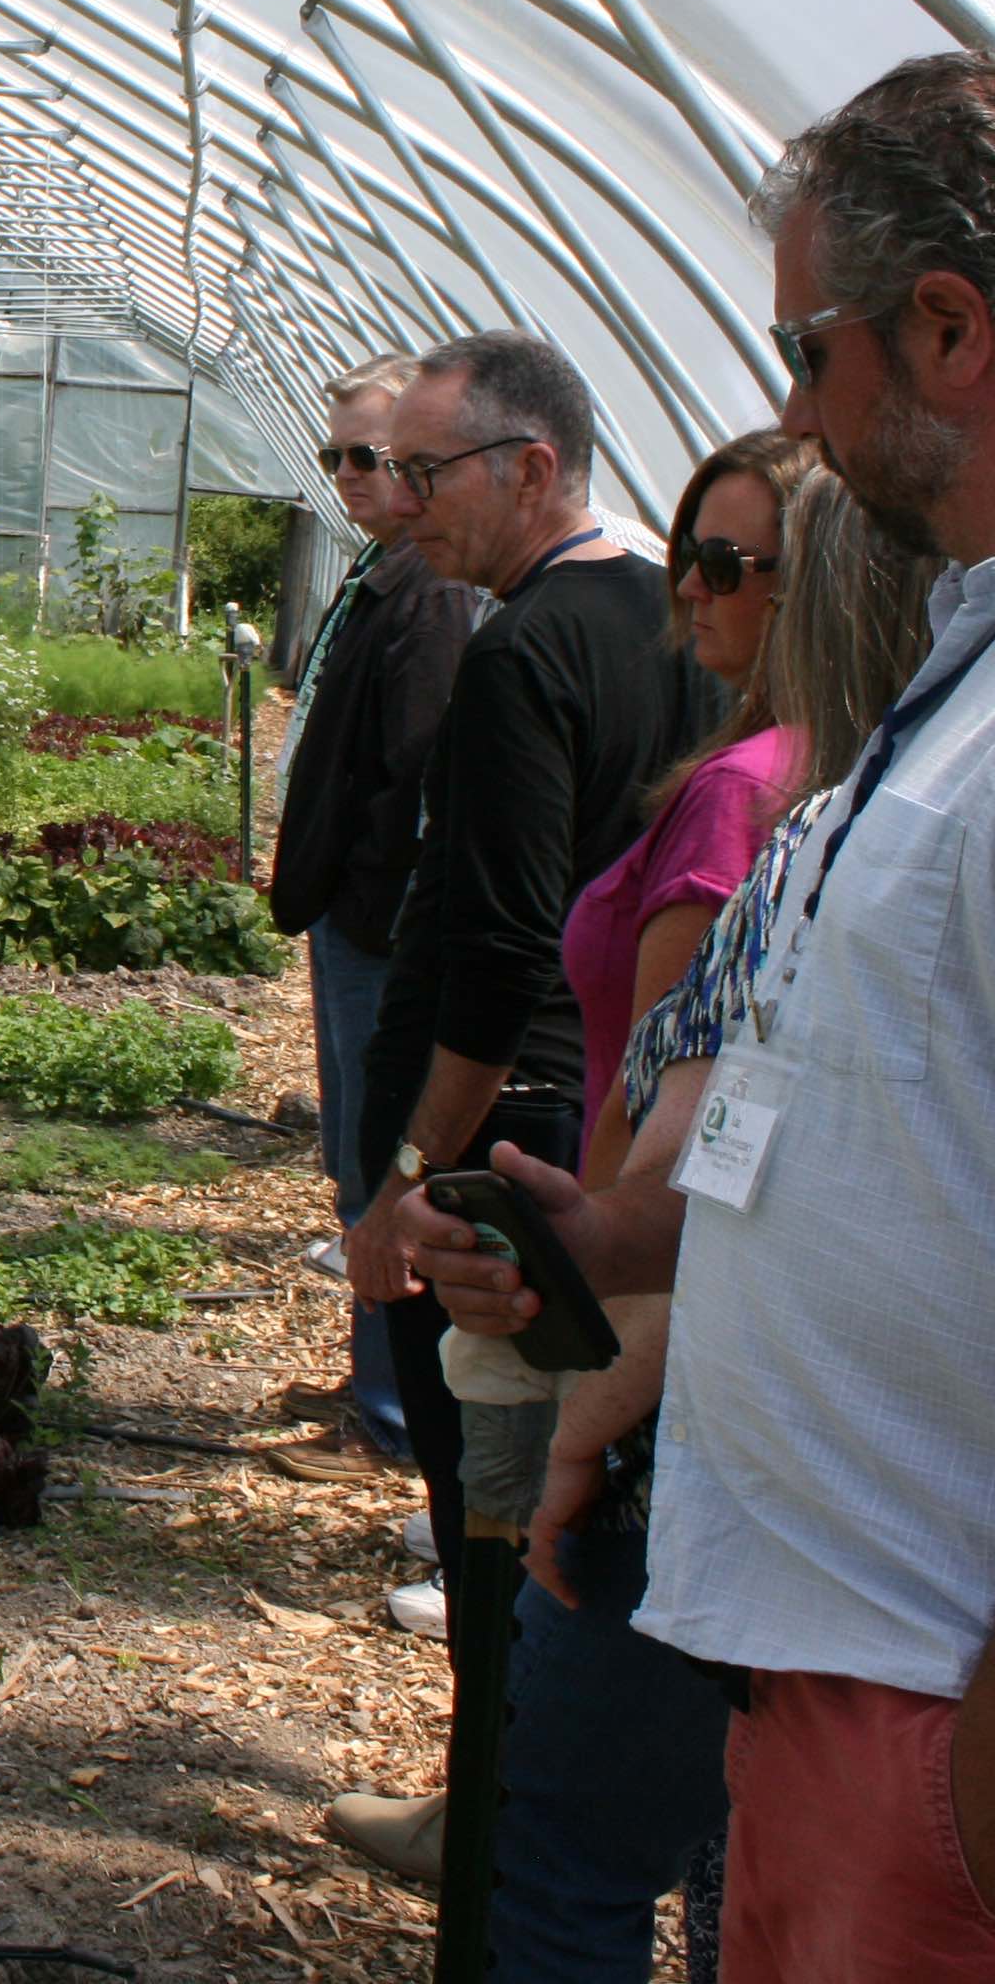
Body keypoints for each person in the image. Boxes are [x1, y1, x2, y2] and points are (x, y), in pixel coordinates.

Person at [419, 53, 995, 1976]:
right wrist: (619, 1234)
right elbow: (894, 1119)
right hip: (875, 1694)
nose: (793, 408)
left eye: (810, 346)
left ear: (948, 329)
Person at [481, 455, 936, 1983]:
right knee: (732, 1876)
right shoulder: (839, 811)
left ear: (829, 597)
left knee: (569, 1860)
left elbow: (706, 1169)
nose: (695, 586)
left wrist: (580, 1426)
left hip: (701, 1432)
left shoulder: (780, 815)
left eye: (735, 566)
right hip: (798, 1475)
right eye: (692, 552)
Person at [326, 330, 715, 1885]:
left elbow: (495, 940)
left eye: (428, 474)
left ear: (532, 467)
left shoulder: (519, 655)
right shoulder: (675, 624)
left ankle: (494, 1817)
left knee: (494, 1497)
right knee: (583, 1495)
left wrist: (419, 1179)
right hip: (607, 1123)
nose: (405, 506)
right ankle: (557, 1807)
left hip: (514, 1148)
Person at [266, 355, 483, 1476]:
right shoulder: (386, 569)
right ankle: (375, 1386)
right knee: (357, 1162)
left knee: (382, 1166)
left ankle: (391, 1415)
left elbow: (411, 774)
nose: (351, 475)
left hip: (378, 929)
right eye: (337, 456)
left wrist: (365, 899)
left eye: (373, 456)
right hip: (354, 922)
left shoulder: (433, 592)